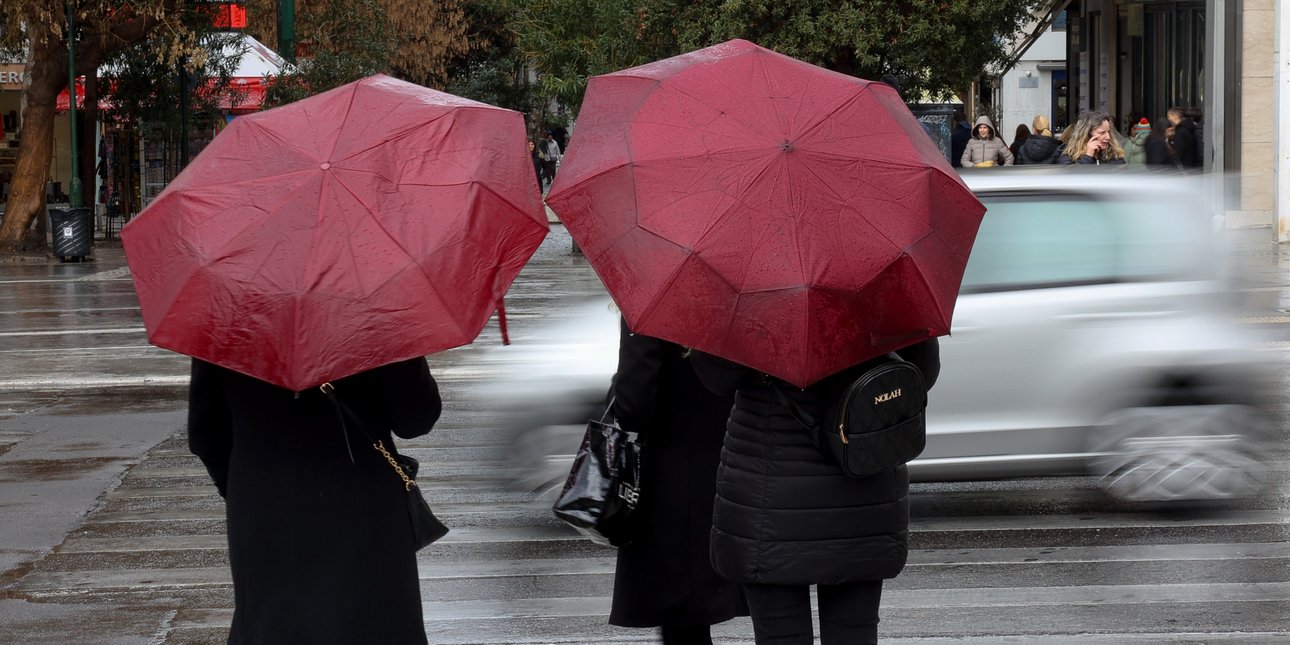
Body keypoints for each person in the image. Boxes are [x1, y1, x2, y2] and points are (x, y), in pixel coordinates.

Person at [691, 339, 941, 645]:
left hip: (769, 489)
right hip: (861, 482)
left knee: (780, 635)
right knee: (854, 633)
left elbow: (716, 379)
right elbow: (921, 374)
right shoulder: (885, 296)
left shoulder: (753, 301)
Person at [188, 357, 442, 645]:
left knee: (273, 625)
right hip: (364, 503)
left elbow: (206, 435)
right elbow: (415, 419)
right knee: (374, 623)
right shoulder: (376, 316)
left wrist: (244, 492)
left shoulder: (226, 321)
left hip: (263, 503)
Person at [608, 321, 748, 644]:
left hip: (669, 485)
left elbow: (634, 404)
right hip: (731, 466)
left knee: (682, 623)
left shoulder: (651, 306)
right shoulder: (735, 290)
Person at [1056, 111, 1126, 165]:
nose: (1108, 137)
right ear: (1087, 134)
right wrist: (1087, 156)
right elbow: (1073, 179)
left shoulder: (1114, 155)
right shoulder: (1068, 156)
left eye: (1108, 132)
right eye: (1102, 133)